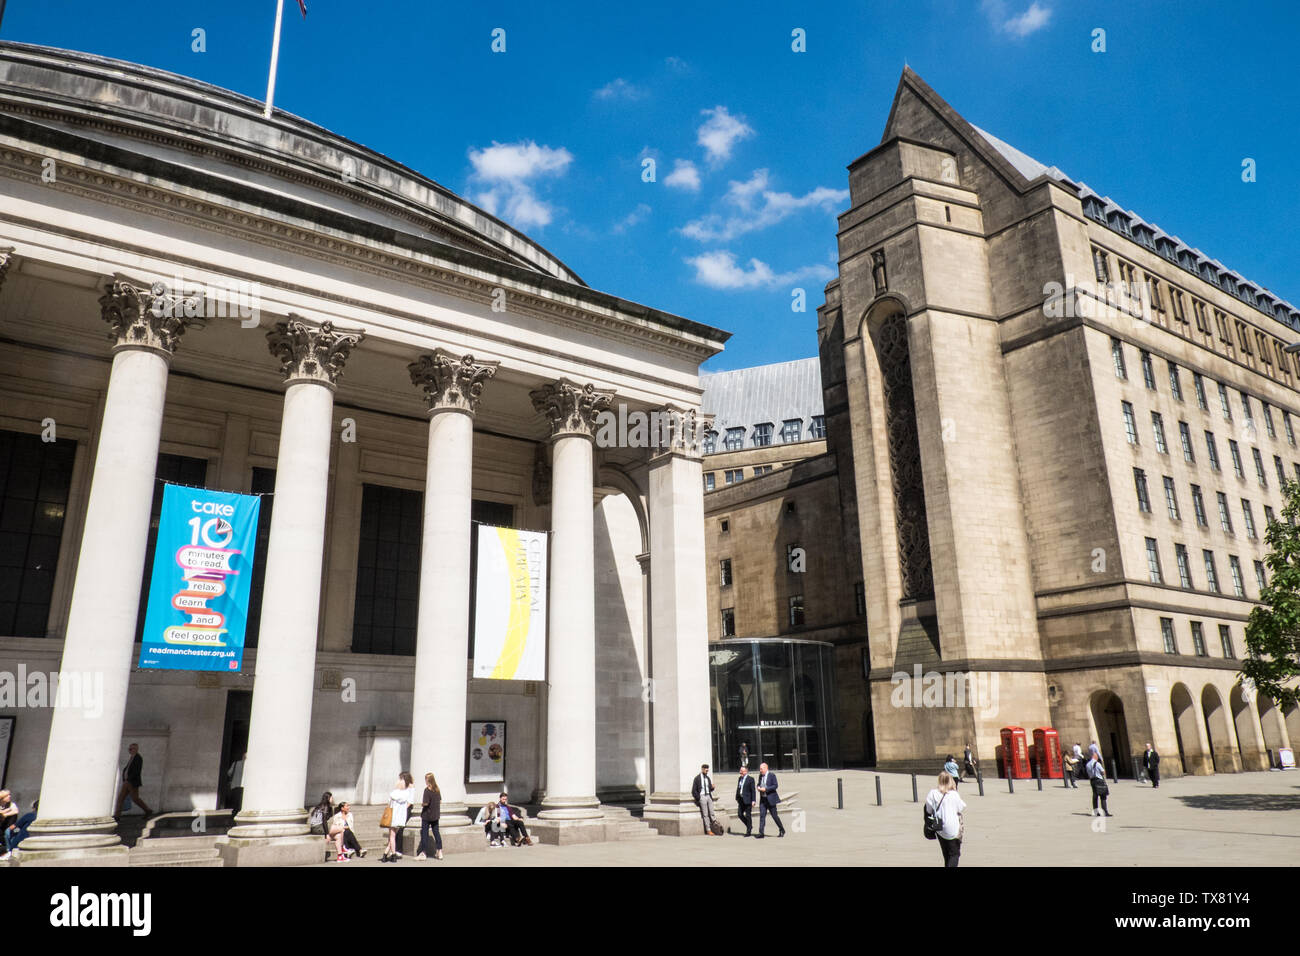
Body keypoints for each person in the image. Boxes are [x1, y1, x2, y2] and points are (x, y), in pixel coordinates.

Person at [924, 771, 967, 867]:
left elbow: (928, 809)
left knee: (946, 854)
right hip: (953, 827)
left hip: (939, 827)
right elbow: (962, 807)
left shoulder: (932, 793)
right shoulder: (954, 794)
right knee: (955, 854)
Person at [113, 742, 154, 818]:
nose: (130, 750)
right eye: (129, 748)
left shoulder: (138, 758)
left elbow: (136, 771)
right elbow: (128, 769)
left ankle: (148, 810)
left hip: (132, 782)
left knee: (134, 799)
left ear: (136, 749)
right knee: (121, 798)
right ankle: (117, 815)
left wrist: (128, 779)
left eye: (131, 749)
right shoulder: (132, 757)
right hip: (127, 781)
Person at [382, 771, 416, 863]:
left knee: (392, 836)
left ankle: (392, 854)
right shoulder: (405, 793)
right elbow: (408, 801)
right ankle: (386, 854)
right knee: (393, 835)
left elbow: (389, 802)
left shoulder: (395, 793)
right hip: (400, 815)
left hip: (394, 815)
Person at [417, 772, 443, 860]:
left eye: (426, 779)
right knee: (436, 833)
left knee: (424, 833)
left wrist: (422, 804)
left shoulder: (427, 790)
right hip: (435, 815)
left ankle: (423, 853)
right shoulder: (437, 790)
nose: (425, 781)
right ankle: (439, 851)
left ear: (428, 780)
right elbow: (440, 801)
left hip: (427, 815)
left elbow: (426, 803)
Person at [755, 762, 785, 838]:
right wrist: (758, 787)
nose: (760, 770)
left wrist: (766, 789)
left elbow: (775, 785)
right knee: (762, 816)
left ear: (766, 768)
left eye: (761, 769)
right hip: (763, 799)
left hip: (770, 799)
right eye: (760, 769)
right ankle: (761, 833)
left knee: (774, 816)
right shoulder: (760, 776)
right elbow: (759, 783)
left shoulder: (772, 775)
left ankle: (781, 829)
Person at [691, 763, 719, 835]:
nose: (707, 772)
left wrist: (712, 788)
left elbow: (709, 788)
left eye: (707, 770)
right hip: (702, 796)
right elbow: (694, 790)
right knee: (705, 814)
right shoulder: (697, 778)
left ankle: (715, 826)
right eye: (706, 770)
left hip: (708, 796)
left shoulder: (707, 778)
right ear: (702, 769)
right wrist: (699, 798)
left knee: (712, 812)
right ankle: (708, 829)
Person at [1087, 751, 1112, 817]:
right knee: (1103, 796)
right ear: (1095, 757)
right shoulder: (1097, 764)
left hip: (1092, 780)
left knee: (1095, 796)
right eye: (1097, 756)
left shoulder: (1088, 764)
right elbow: (1103, 772)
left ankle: (1095, 812)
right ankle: (1105, 812)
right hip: (1099, 780)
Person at [735, 765, 756, 836]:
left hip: (748, 800)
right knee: (740, 814)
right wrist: (737, 797)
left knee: (748, 815)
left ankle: (748, 831)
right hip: (741, 800)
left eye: (742, 771)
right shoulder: (739, 778)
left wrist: (753, 800)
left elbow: (753, 791)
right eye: (740, 770)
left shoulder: (750, 779)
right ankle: (749, 825)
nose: (740, 772)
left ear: (746, 771)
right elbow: (738, 788)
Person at [0, 790, 19, 860]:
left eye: (9, 795)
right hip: (1, 825)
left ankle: (8, 850)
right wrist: (5, 813)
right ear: (2, 798)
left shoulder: (11, 804)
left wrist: (4, 815)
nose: (9, 796)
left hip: (9, 825)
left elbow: (15, 811)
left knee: (8, 832)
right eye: (7, 796)